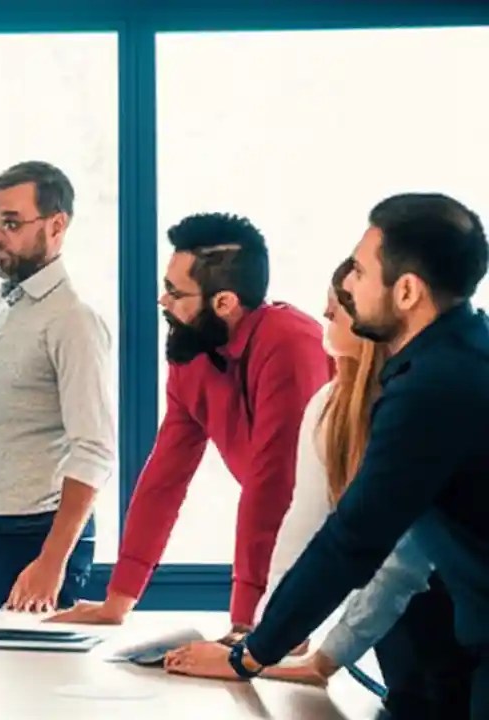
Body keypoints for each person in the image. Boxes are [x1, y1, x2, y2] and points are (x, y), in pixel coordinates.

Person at [162, 192, 489, 718]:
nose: (348, 286)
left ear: (406, 291)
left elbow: (354, 539)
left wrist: (252, 653)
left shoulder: (433, 388)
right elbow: (401, 546)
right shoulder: (459, 358)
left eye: (359, 271)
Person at [48, 213, 332, 638]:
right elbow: (164, 477)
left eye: (175, 293)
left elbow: (274, 485)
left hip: (368, 546)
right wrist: (118, 600)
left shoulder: (290, 344)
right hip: (307, 546)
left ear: (224, 303)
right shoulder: (193, 357)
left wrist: (244, 627)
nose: (163, 302)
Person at [244, 258, 473, 717]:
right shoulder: (328, 406)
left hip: (455, 630)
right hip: (403, 647)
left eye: (342, 303)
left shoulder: (426, 402)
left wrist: (318, 659)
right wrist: (262, 635)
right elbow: (304, 524)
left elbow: (399, 564)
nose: (326, 313)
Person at [0, 161, 116, 613]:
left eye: (11, 223)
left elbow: (94, 450)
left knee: (36, 683)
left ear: (56, 226)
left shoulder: (73, 322)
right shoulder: (1, 311)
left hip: (40, 535)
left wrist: (51, 563)